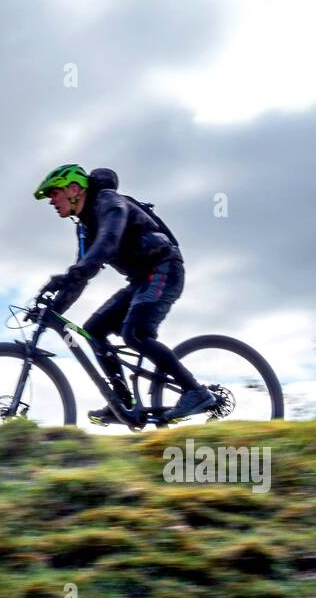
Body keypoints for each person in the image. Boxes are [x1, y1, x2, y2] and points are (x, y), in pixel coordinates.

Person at [33, 164, 216, 425]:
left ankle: (195, 392)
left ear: (74, 189)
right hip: (142, 279)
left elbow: (107, 243)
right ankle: (123, 403)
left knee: (135, 334)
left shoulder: (109, 203)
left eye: (54, 193)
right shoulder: (84, 228)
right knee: (93, 330)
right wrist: (53, 310)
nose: (51, 201)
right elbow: (83, 275)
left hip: (164, 268)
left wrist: (71, 274)